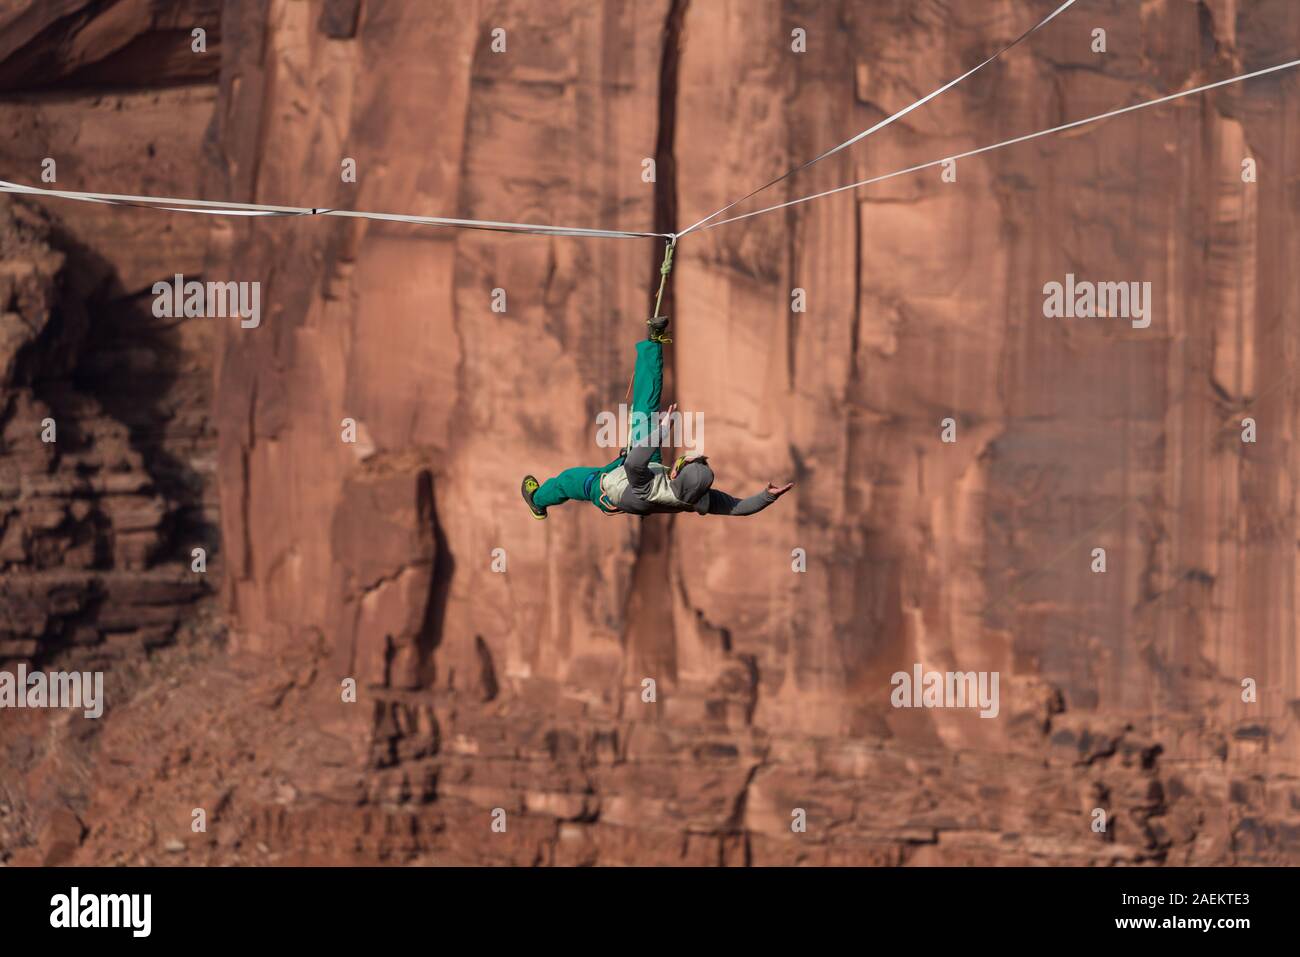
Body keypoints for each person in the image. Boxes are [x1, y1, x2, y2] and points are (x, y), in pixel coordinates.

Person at [521, 316, 794, 519]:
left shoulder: (649, 489)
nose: (682, 457)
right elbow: (737, 508)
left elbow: (634, 463)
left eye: (685, 461)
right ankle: (653, 341)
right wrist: (767, 496)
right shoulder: (697, 500)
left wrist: (662, 431)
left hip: (607, 487)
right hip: (644, 467)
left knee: (568, 481)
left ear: (676, 472)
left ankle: (537, 500)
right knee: (647, 407)